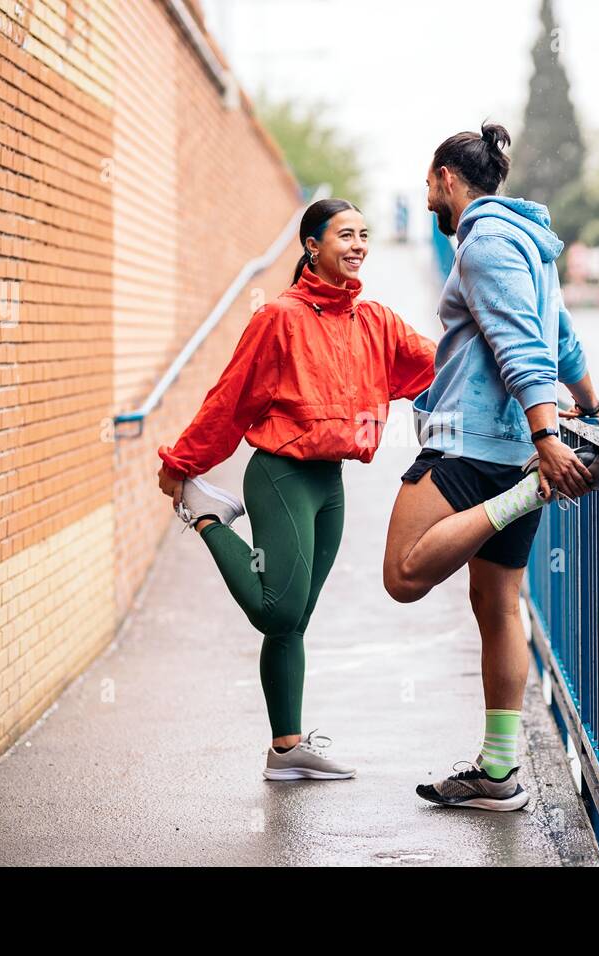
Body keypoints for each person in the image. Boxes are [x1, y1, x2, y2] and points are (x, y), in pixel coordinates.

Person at [156, 198, 436, 781]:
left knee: (296, 620)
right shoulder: (279, 317)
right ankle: (204, 514)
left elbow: (442, 366)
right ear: (312, 245)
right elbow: (230, 398)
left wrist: (528, 392)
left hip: (330, 486)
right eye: (345, 235)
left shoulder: (375, 321)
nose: (358, 245)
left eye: (365, 235)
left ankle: (286, 749)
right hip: (280, 476)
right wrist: (184, 464)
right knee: (278, 611)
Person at [383, 123, 599, 811]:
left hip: (474, 447)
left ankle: (521, 497)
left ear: (448, 179)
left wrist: (547, 436)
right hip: (510, 449)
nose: (427, 197)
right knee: (497, 604)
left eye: (429, 184)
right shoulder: (532, 245)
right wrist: (591, 408)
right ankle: (499, 771)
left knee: (403, 574)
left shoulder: (483, 242)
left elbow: (519, 344)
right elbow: (560, 336)